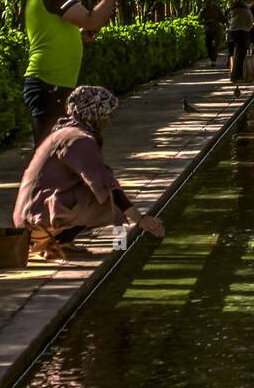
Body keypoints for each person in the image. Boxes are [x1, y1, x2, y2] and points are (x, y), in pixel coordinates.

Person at [13, 85, 164, 259]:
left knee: (104, 196)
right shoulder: (79, 139)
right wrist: (141, 219)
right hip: (37, 219)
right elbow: (105, 183)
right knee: (109, 201)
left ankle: (58, 242)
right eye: (107, 115)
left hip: (31, 214)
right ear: (95, 114)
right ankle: (58, 241)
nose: (110, 120)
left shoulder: (66, 132)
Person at [23, 0, 124, 148]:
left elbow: (51, 32)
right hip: (48, 85)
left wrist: (77, 36)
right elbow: (92, 20)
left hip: (52, 85)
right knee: (49, 158)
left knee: (57, 155)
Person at [227, 0, 254, 83]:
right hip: (238, 29)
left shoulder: (240, 1)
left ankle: (238, 76)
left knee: (241, 54)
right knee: (239, 54)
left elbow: (247, 7)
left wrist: (252, 5)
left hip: (243, 29)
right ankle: (235, 77)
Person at [199, 0, 223, 66]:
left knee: (215, 45)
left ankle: (213, 60)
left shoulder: (217, 8)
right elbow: (199, 20)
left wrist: (219, 19)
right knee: (208, 45)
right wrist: (207, 21)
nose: (208, 3)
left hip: (216, 29)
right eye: (207, 2)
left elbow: (222, 17)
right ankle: (212, 58)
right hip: (208, 30)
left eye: (210, 1)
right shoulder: (204, 10)